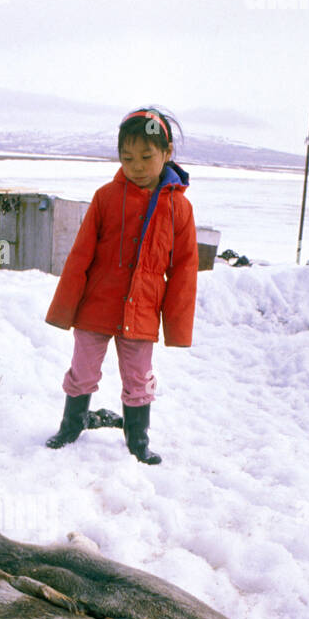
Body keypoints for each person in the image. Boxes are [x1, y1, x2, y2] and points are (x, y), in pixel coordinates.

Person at [45, 108, 199, 464]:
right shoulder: (106, 197)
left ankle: (137, 439)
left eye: (147, 157)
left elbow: (184, 271)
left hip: (142, 310)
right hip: (95, 307)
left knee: (139, 378)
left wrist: (176, 327)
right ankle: (71, 425)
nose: (138, 166)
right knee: (82, 370)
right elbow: (80, 256)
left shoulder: (180, 208)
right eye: (127, 158)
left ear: (168, 152)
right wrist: (65, 309)